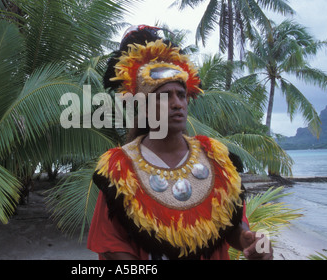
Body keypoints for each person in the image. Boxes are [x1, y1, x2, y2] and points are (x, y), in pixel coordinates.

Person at [87, 25, 273, 260]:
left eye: (181, 95)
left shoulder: (217, 158)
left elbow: (234, 226)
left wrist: (250, 240)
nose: (177, 103)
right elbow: (112, 245)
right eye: (165, 96)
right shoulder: (120, 168)